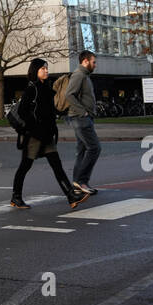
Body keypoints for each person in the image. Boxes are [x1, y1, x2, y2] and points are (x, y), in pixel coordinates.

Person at [11, 58, 90, 210]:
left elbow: (51, 110)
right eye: (43, 69)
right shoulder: (31, 89)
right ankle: (16, 197)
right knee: (25, 166)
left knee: (57, 165)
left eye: (46, 68)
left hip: (46, 135)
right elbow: (22, 112)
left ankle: (71, 196)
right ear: (35, 71)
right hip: (34, 136)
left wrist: (62, 111)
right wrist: (33, 127)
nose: (46, 71)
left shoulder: (46, 87)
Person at [65, 50, 101, 196]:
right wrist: (83, 112)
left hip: (83, 118)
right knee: (94, 148)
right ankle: (81, 181)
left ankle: (77, 183)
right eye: (94, 62)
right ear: (85, 61)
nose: (95, 65)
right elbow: (69, 94)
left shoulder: (84, 75)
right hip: (80, 119)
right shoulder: (79, 75)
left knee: (82, 150)